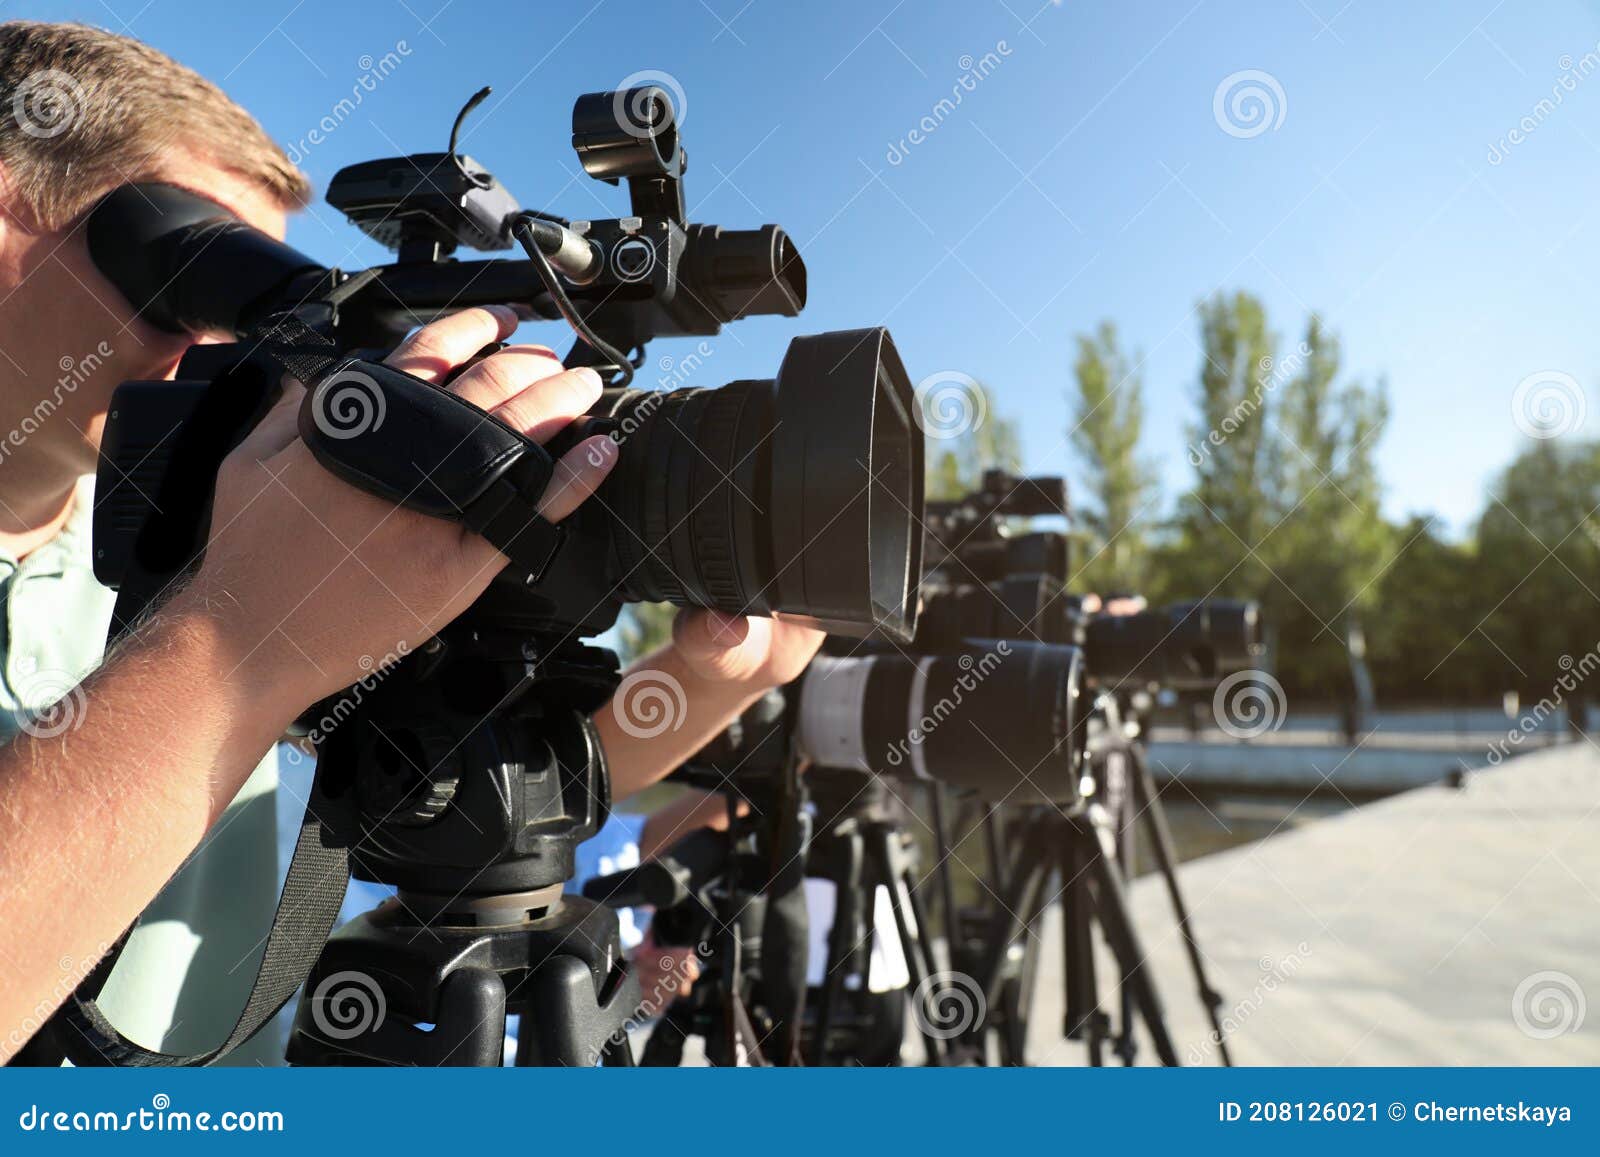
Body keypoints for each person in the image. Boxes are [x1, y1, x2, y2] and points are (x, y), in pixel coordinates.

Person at [0, 20, 822, 1062]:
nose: (243, 356)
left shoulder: (182, 543)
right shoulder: (225, 577)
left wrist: (719, 677)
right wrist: (239, 646)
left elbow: (450, 808)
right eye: (194, 275)